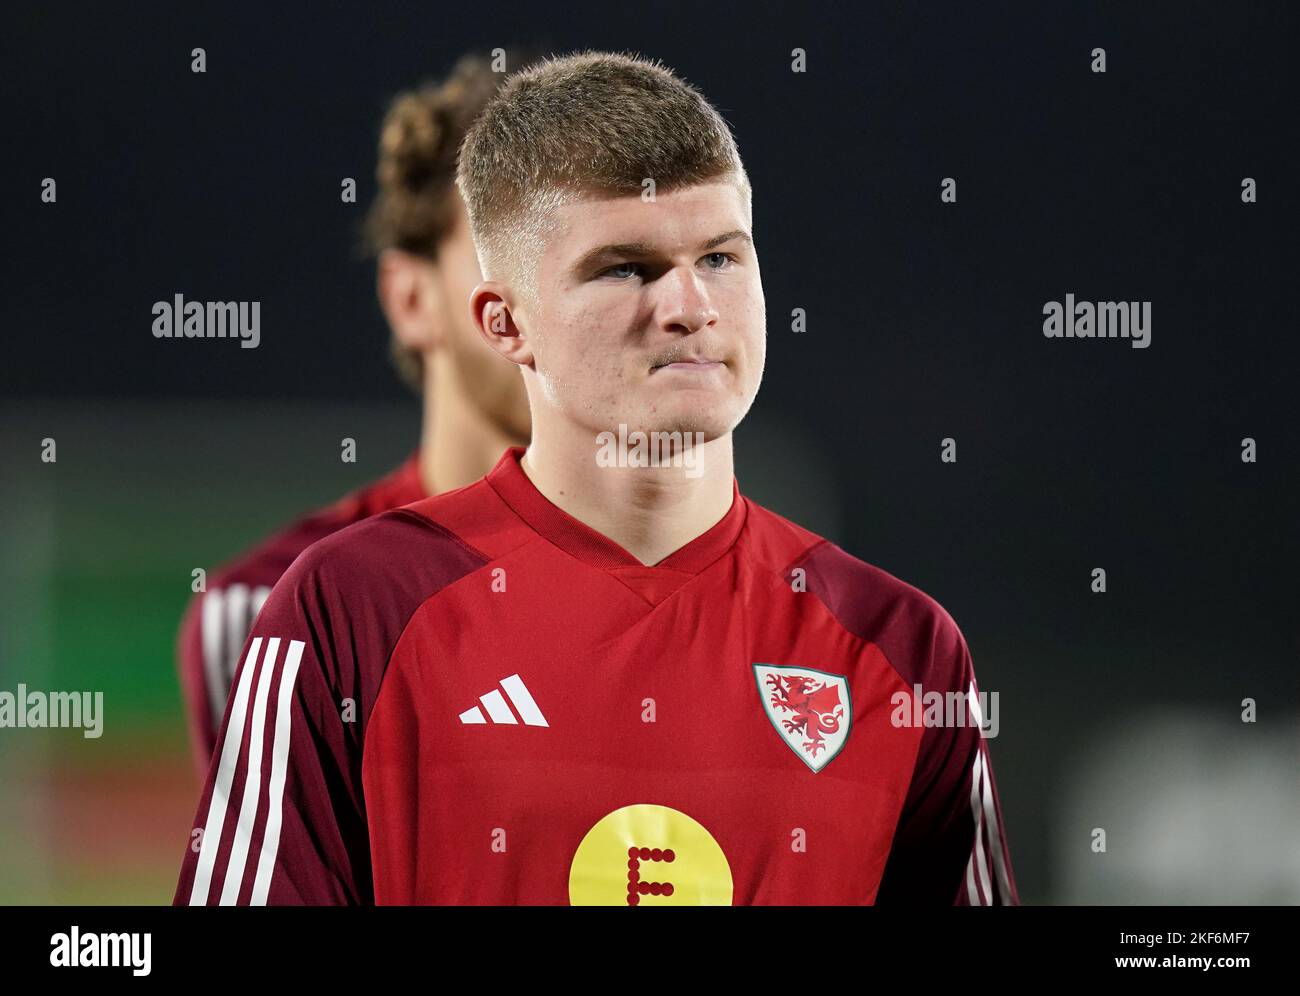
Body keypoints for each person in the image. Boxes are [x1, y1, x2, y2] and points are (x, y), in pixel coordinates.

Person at [175, 50, 1018, 906]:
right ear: (505, 323)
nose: (689, 306)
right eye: (627, 269)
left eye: (721, 258)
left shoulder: (902, 650)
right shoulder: (352, 610)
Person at [174, 53, 532, 778]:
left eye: (603, 264)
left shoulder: (728, 594)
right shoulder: (268, 613)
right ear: (411, 298)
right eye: (516, 248)